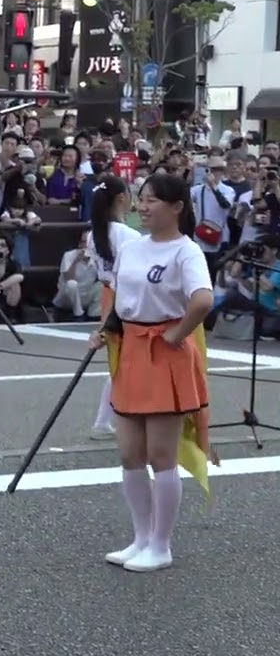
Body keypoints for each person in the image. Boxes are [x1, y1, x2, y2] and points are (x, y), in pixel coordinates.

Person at [88, 173, 214, 573]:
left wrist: (176, 334)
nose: (143, 207)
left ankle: (161, 545)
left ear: (177, 207)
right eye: (141, 199)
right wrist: (105, 330)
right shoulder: (131, 247)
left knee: (161, 456)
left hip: (164, 353)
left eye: (152, 200)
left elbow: (202, 299)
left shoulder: (186, 251)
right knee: (130, 453)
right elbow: (120, 299)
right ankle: (140, 538)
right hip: (131, 350)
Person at [86, 176, 141, 440]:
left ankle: (103, 421)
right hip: (128, 301)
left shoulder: (93, 235)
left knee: (119, 363)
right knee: (128, 364)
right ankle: (115, 420)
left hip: (109, 297)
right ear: (122, 198)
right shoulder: (130, 236)